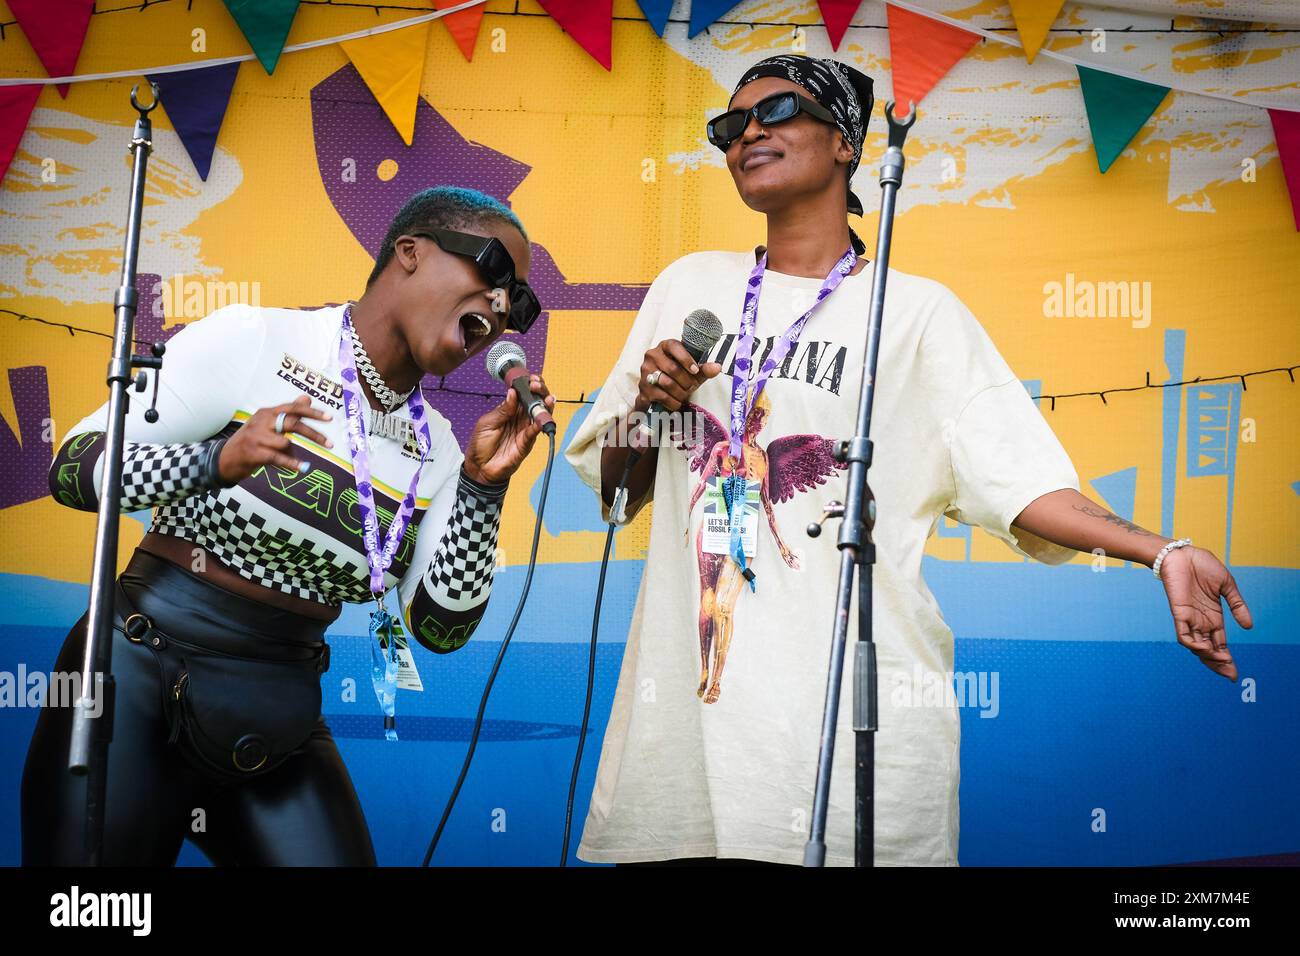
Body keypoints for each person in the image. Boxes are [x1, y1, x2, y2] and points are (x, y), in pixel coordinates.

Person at [564, 54, 1254, 866]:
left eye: (777, 109)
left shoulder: (917, 312)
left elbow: (1024, 485)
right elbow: (618, 495)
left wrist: (1161, 550)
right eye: (729, 124)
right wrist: (652, 407)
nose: (748, 130)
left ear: (848, 142)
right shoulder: (689, 287)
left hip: (859, 748)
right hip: (687, 756)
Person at [25, 185, 554, 866]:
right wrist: (215, 460)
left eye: (521, 303)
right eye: (492, 271)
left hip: (279, 707)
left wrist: (484, 487)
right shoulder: (258, 340)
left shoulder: (445, 453)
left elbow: (440, 628)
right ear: (411, 253)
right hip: (136, 671)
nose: (504, 306)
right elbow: (73, 467)